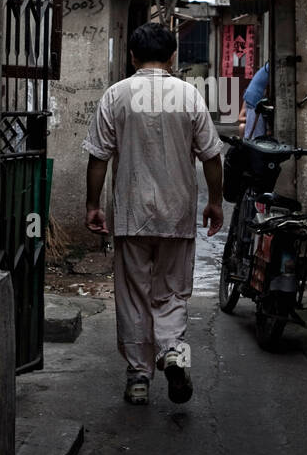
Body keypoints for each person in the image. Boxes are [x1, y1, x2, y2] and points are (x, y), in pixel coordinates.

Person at [83, 22, 225, 405]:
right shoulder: (189, 96)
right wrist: (215, 201)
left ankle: (139, 376)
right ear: (172, 57)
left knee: (133, 294)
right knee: (172, 290)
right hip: (177, 214)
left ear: (132, 56)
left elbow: (99, 156)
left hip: (131, 213)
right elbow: (211, 155)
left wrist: (92, 204)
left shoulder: (116, 95)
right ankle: (173, 351)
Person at [237, 59, 271, 140]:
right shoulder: (271, 67)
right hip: (254, 98)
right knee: (256, 136)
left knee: (253, 133)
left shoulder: (266, 68)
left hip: (253, 97)